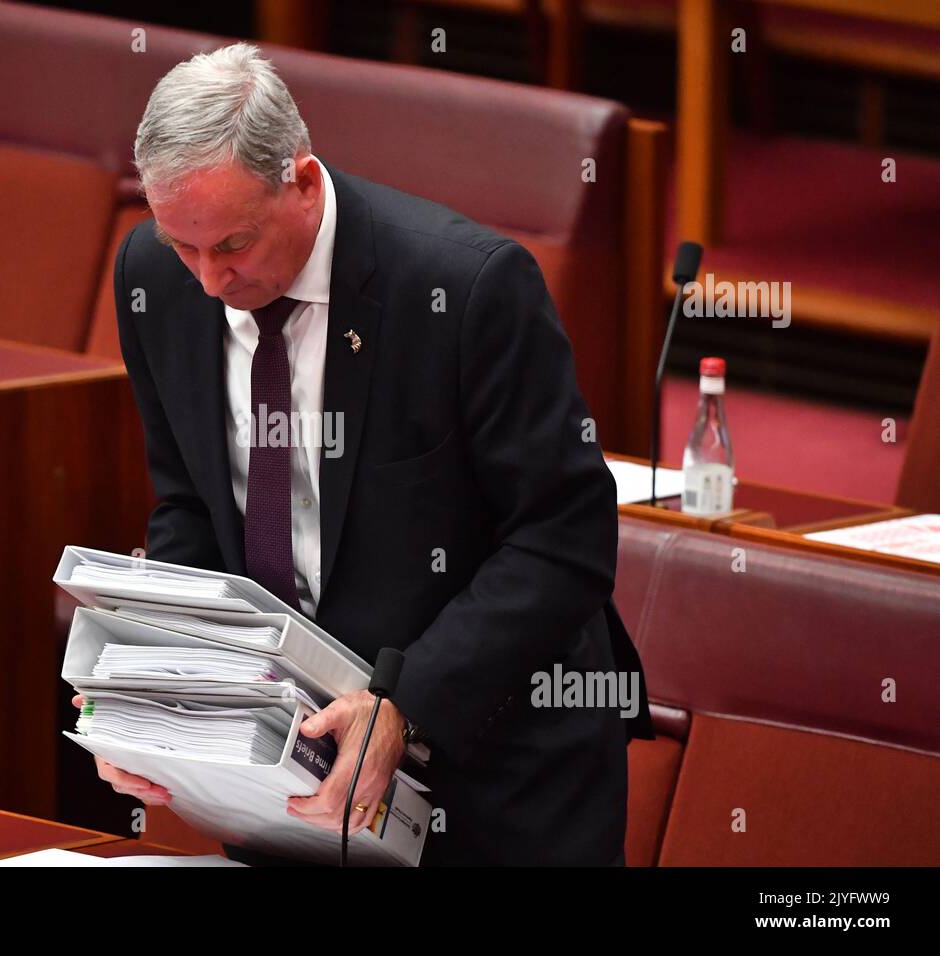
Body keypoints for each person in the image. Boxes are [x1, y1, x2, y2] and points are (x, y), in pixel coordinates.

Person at [82, 42, 653, 865]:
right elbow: (191, 509)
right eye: (183, 246)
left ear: (304, 184)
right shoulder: (152, 278)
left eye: (233, 244)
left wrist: (404, 705)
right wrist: (159, 699)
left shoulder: (466, 292)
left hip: (496, 780)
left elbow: (563, 542)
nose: (208, 281)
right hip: (299, 779)